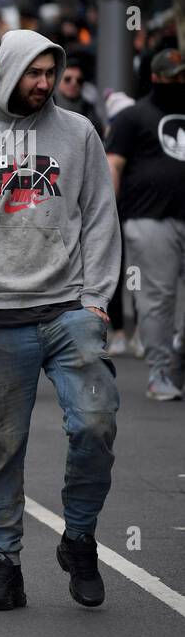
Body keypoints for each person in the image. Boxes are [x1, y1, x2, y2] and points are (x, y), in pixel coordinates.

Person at [0, 29, 121, 611]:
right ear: (9, 72)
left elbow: (98, 215)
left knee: (94, 425)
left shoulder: (79, 133)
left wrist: (97, 298)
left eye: (51, 73)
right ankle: (5, 563)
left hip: (70, 310)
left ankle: (80, 537)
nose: (43, 84)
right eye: (33, 73)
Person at [106, 48, 185, 400]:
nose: (178, 81)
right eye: (173, 75)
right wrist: (107, 217)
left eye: (183, 74)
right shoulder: (133, 117)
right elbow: (113, 166)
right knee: (157, 299)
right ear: (156, 77)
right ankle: (158, 373)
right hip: (149, 218)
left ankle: (177, 358)